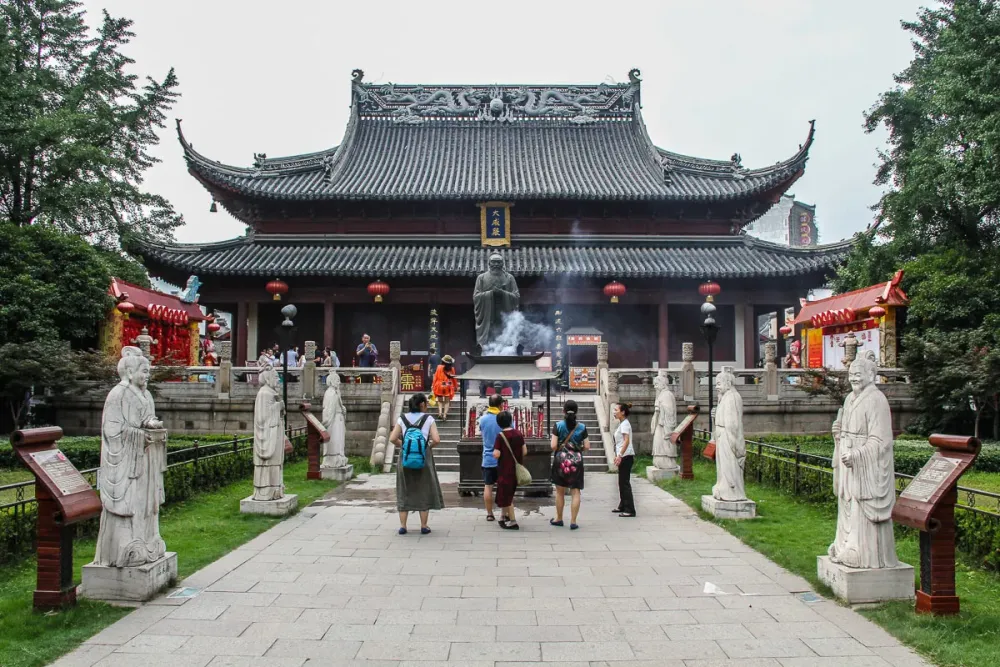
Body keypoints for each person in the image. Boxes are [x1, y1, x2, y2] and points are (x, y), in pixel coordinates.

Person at [389, 393, 444, 535]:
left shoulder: (402, 418)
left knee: (404, 489)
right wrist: (426, 447)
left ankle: (403, 526)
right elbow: (436, 439)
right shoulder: (429, 419)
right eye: (426, 403)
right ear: (422, 405)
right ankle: (424, 526)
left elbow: (392, 438)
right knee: (423, 488)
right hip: (423, 458)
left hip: (405, 458)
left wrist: (405, 445)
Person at [550, 400, 590, 529]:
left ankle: (559, 518)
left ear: (563, 411)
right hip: (576, 462)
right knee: (575, 492)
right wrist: (577, 450)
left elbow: (553, 446)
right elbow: (587, 446)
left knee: (560, 492)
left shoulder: (558, 425)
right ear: (576, 412)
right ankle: (573, 521)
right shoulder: (582, 427)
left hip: (561, 462)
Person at [492, 410, 526, 530]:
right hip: (516, 470)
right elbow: (525, 451)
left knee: (507, 496)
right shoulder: (518, 433)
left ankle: (513, 521)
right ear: (511, 420)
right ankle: (502, 516)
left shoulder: (500, 437)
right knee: (508, 493)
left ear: (499, 423)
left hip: (505, 469)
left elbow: (496, 454)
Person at [478, 394, 504, 522]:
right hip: (503, 458)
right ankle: (504, 513)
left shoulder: (483, 419)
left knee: (488, 486)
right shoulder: (505, 419)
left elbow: (482, 433)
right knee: (503, 486)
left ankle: (489, 513)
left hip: (488, 457)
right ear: (501, 405)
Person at [613, 402, 636, 517]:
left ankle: (630, 509)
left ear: (623, 412)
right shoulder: (622, 423)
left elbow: (626, 441)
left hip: (626, 456)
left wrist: (620, 455)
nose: (614, 412)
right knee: (621, 482)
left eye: (616, 410)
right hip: (623, 455)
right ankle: (622, 505)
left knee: (624, 482)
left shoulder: (625, 424)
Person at [431, 354, 457, 421]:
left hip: (439, 385)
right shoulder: (452, 369)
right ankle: (445, 415)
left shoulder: (439, 367)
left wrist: (433, 385)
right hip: (447, 385)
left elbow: (435, 377)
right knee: (447, 401)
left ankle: (440, 413)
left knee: (440, 401)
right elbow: (454, 379)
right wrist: (455, 386)